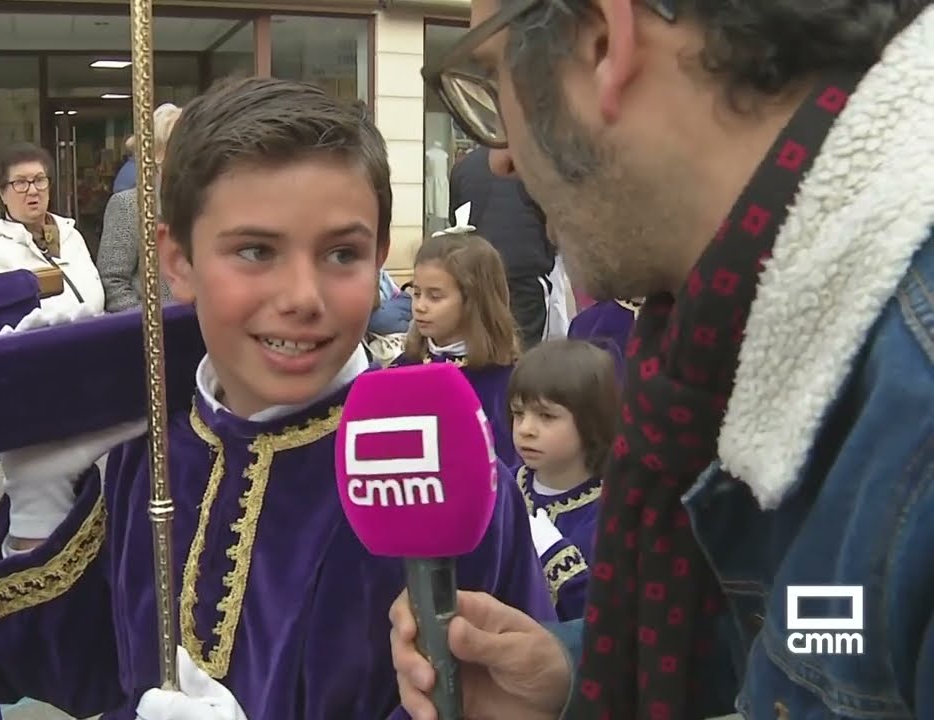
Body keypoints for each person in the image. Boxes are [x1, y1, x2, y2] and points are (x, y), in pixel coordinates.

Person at [0, 76, 556, 720]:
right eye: (255, 250)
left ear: (381, 259)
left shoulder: (438, 471)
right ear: (178, 260)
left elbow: (494, 695)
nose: (303, 296)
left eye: (342, 253)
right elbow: (72, 668)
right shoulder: (153, 451)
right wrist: (39, 510)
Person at [392, 1, 934, 718]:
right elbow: (808, 641)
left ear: (601, 41)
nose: (503, 159)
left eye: (495, 82)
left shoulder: (910, 402)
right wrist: (573, 668)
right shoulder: (733, 338)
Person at [509, 339, 618, 621]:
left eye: (546, 416)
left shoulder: (612, 513)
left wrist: (553, 553)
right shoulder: (504, 488)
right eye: (518, 414)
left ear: (591, 421)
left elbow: (603, 621)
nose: (526, 429)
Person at [394, 231, 523, 466]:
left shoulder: (503, 381)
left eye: (435, 296)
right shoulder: (402, 367)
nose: (420, 306)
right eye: (416, 293)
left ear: (473, 302)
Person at [0, 143, 105, 317]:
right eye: (20, 183)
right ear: (2, 193)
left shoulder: (71, 235)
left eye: (40, 180)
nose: (33, 191)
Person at [449, 145, 555, 347]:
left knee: (482, 345)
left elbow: (456, 221)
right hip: (525, 271)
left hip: (478, 273)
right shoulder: (535, 164)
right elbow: (553, 221)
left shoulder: (464, 167)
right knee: (526, 349)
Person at [96, 102, 181, 312]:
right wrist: (148, 324)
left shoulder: (201, 203)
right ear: (157, 154)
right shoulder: (129, 205)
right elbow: (112, 282)